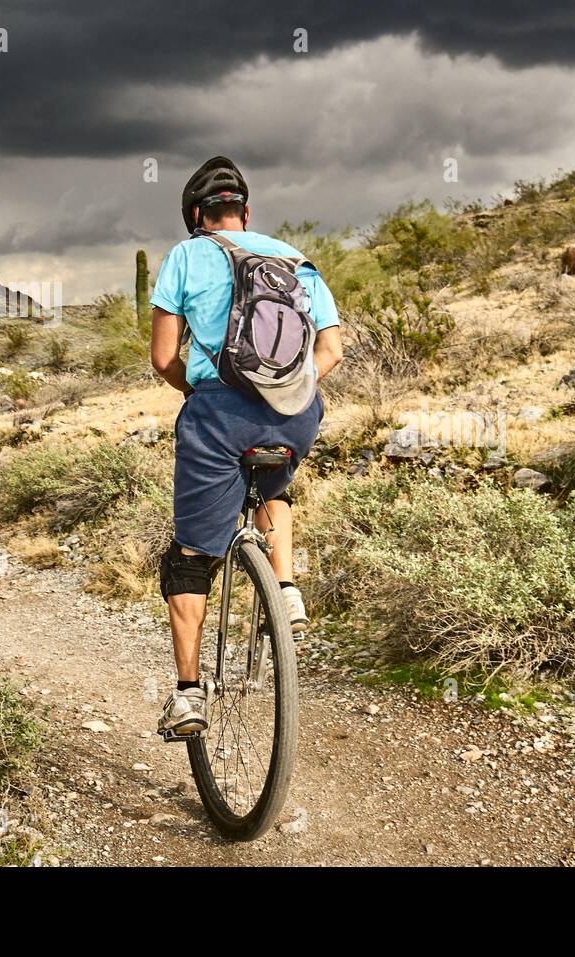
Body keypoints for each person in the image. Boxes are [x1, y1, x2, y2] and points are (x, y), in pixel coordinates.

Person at [148, 156, 343, 735]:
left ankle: (188, 696)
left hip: (219, 416)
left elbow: (163, 358)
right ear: (246, 212)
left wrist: (200, 392)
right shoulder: (295, 258)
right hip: (296, 417)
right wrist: (288, 392)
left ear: (196, 217)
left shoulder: (186, 256)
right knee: (273, 485)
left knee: (190, 559)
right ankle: (285, 589)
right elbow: (330, 351)